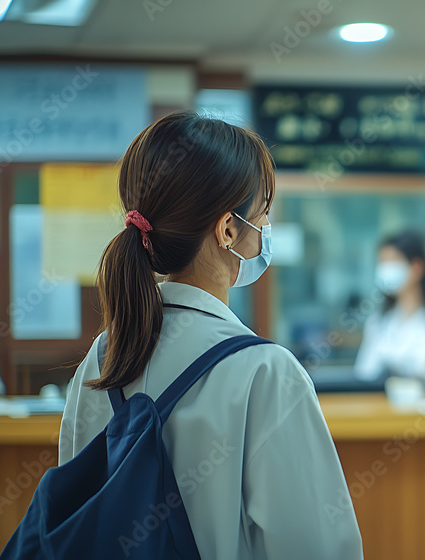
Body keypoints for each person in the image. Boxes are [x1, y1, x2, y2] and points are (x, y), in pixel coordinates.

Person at [59, 111, 363, 560]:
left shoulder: (102, 358)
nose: (264, 232)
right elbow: (317, 547)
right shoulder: (265, 372)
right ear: (227, 230)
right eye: (261, 216)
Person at [354, 231, 425, 394]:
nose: (386, 270)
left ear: (417, 268)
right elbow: (363, 374)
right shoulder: (377, 323)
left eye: (394, 262)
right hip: (381, 414)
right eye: (383, 263)